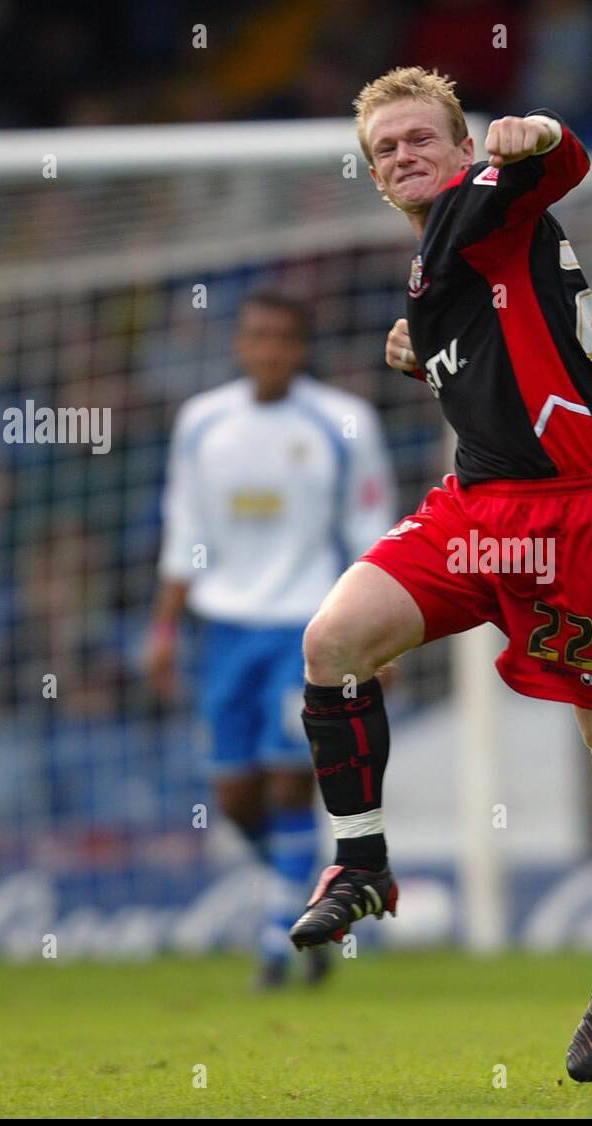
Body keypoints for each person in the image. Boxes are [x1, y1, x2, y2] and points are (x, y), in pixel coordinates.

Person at [289, 67, 592, 1083]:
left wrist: (536, 133)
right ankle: (361, 865)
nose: (404, 155)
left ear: (460, 148)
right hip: (478, 510)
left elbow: (557, 161)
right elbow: (503, 350)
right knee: (331, 643)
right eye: (385, 150)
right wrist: (429, 351)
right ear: (375, 178)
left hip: (582, 516)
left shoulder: (489, 196)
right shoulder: (440, 262)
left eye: (421, 138)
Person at [146, 289, 394, 988]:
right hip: (224, 631)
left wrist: (384, 638)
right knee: (236, 797)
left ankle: (277, 944)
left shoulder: (344, 422)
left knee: (291, 782)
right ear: (239, 343)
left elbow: (369, 535)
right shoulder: (203, 423)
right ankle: (310, 899)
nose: (270, 350)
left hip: (311, 627)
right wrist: (164, 628)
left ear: (303, 346)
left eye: (284, 337)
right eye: (257, 336)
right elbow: (183, 534)